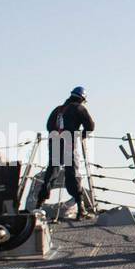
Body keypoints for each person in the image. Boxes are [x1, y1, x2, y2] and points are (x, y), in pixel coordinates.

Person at [38, 86, 95, 218]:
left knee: (51, 173)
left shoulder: (57, 110)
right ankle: (81, 209)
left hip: (55, 143)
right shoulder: (79, 108)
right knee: (72, 174)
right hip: (69, 143)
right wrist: (83, 135)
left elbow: (48, 126)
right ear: (82, 98)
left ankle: (39, 205)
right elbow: (90, 126)